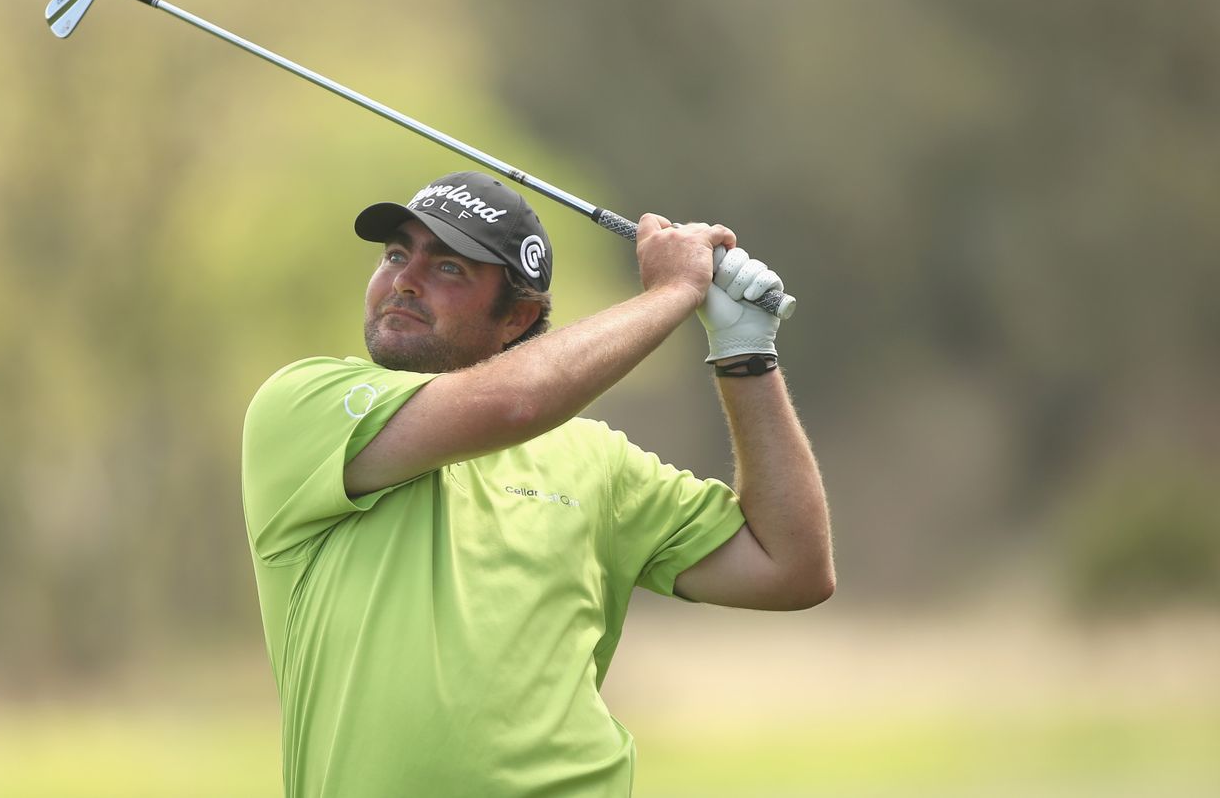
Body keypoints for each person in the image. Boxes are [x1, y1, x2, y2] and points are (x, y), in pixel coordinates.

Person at [241, 171, 833, 797]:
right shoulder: (303, 407)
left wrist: (745, 353)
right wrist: (677, 290)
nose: (404, 280)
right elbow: (515, 402)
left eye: (449, 268)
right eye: (395, 254)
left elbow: (790, 567)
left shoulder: (595, 461)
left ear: (516, 318)